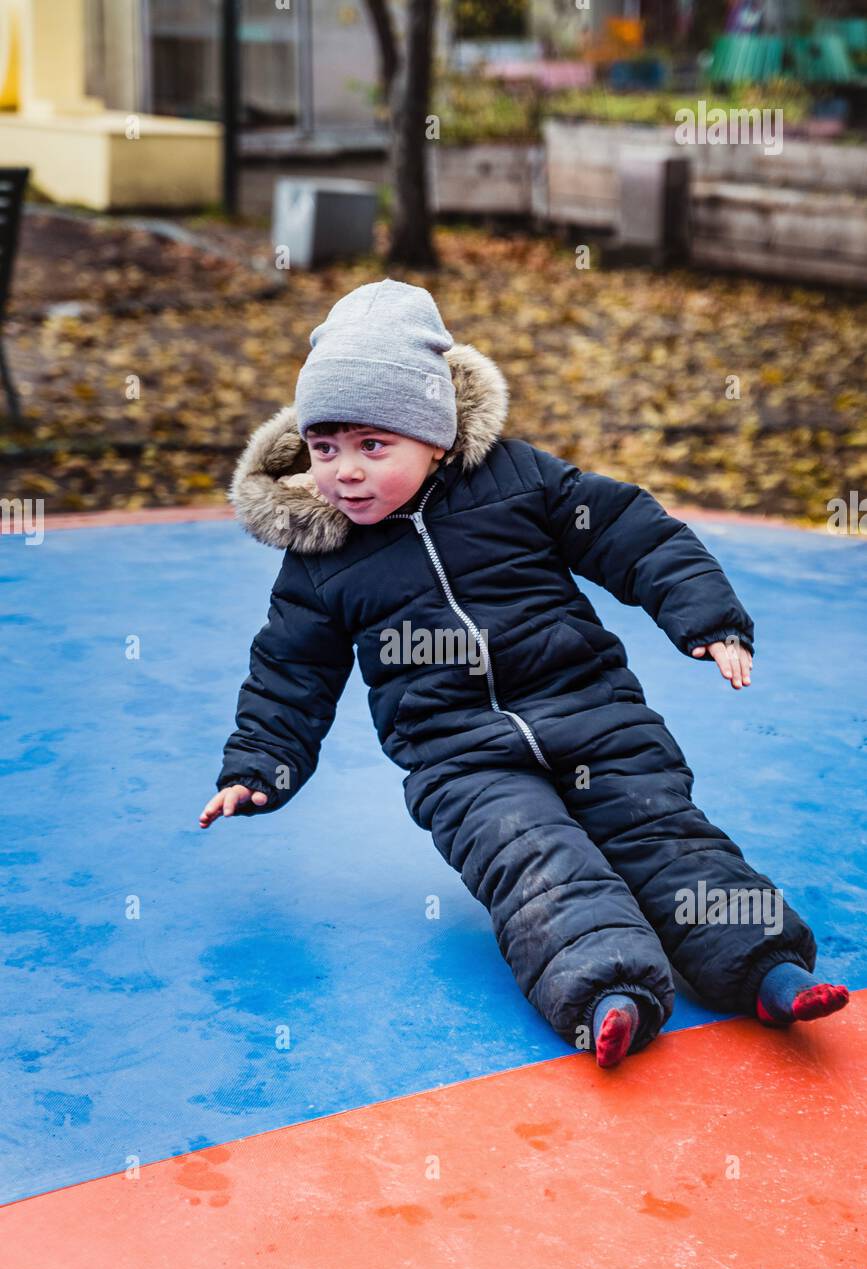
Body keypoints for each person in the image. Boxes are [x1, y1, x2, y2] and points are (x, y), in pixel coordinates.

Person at [199, 278, 848, 1068]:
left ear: (434, 435)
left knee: (663, 838)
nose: (347, 473)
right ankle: (607, 994)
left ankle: (765, 969)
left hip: (593, 713)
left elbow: (632, 536)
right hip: (458, 757)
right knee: (535, 864)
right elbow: (287, 673)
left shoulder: (518, 481)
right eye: (326, 449)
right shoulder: (320, 557)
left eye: (374, 446)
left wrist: (705, 619)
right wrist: (259, 766)